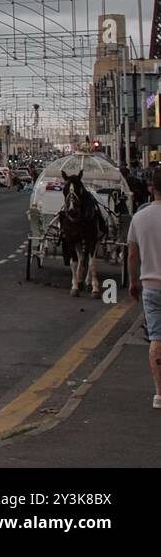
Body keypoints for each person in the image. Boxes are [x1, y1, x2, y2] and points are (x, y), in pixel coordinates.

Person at [126, 166, 161, 409]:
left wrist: (133, 283)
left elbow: (131, 256)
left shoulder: (139, 218)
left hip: (150, 286)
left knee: (156, 339)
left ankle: (159, 393)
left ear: (151, 189)